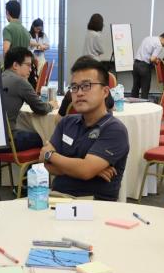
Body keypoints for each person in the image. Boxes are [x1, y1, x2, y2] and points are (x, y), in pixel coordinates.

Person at [40, 56, 128, 200]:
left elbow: (85, 170)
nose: (79, 93)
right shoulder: (67, 122)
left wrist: (51, 155)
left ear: (105, 92)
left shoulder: (115, 130)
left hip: (92, 204)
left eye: (86, 86)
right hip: (56, 197)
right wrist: (85, 168)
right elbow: (46, 164)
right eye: (74, 87)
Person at [0, 46, 57, 150]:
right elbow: (41, 109)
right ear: (15, 65)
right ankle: (32, 167)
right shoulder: (20, 82)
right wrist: (51, 105)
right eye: (28, 65)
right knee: (46, 137)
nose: (31, 70)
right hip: (9, 140)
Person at [131, 31, 164, 99]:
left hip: (135, 65)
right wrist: (157, 60)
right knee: (145, 89)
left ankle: (131, 106)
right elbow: (152, 59)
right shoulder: (159, 45)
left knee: (135, 87)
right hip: (144, 67)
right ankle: (143, 107)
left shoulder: (148, 38)